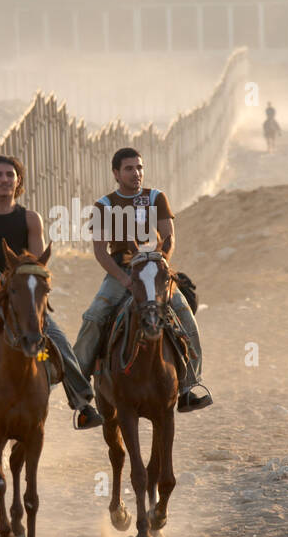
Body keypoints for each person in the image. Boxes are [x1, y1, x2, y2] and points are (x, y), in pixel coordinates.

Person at [0, 155, 103, 447]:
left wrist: (24, 272)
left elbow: (40, 265)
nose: (4, 180)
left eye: (10, 175)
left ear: (19, 181)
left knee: (58, 344)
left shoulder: (29, 219)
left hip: (21, 306)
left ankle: (82, 403)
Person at [73, 147, 212, 412]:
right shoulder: (105, 205)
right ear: (116, 173)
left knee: (184, 315)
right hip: (122, 271)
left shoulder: (156, 198)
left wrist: (160, 265)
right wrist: (125, 281)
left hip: (155, 269)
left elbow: (169, 238)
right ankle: (79, 390)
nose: (136, 173)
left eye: (139, 167)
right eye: (129, 168)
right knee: (94, 316)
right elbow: (101, 252)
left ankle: (188, 386)